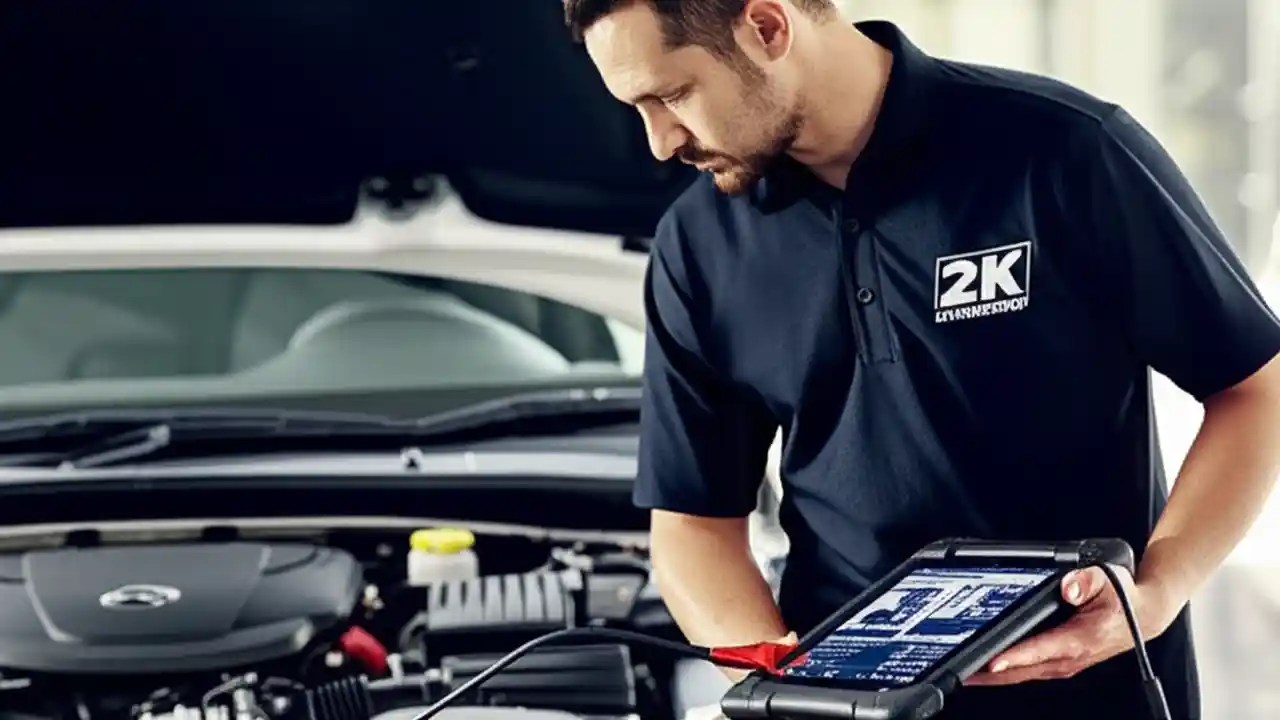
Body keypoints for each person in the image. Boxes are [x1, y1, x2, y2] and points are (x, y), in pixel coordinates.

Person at [563, 2, 1280, 719]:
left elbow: (1256, 388)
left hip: (1093, 694)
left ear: (768, 27)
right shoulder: (699, 244)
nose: (658, 141)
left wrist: (1155, 594)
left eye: (673, 94)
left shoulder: (1067, 152)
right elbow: (693, 523)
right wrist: (784, 690)